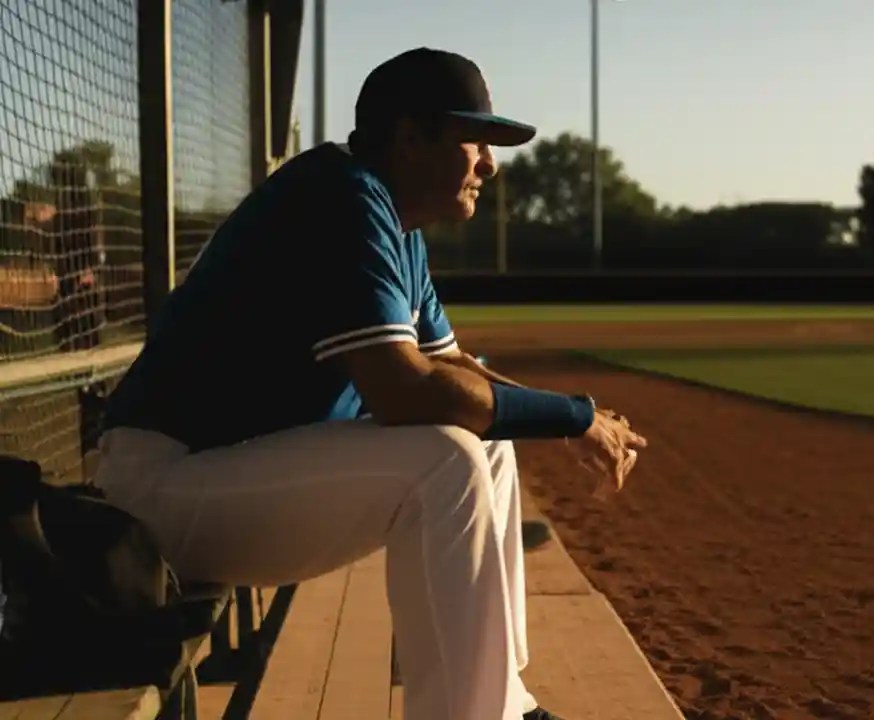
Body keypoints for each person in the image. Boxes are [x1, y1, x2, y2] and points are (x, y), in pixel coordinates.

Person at [92, 47, 646, 720]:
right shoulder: (340, 196)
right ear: (410, 138)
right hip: (160, 496)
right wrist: (572, 418)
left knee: (486, 441)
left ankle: (504, 704)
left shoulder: (392, 222)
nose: (489, 164)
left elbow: (456, 371)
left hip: (228, 478)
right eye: (474, 140)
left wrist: (574, 415)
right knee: (445, 459)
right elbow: (406, 391)